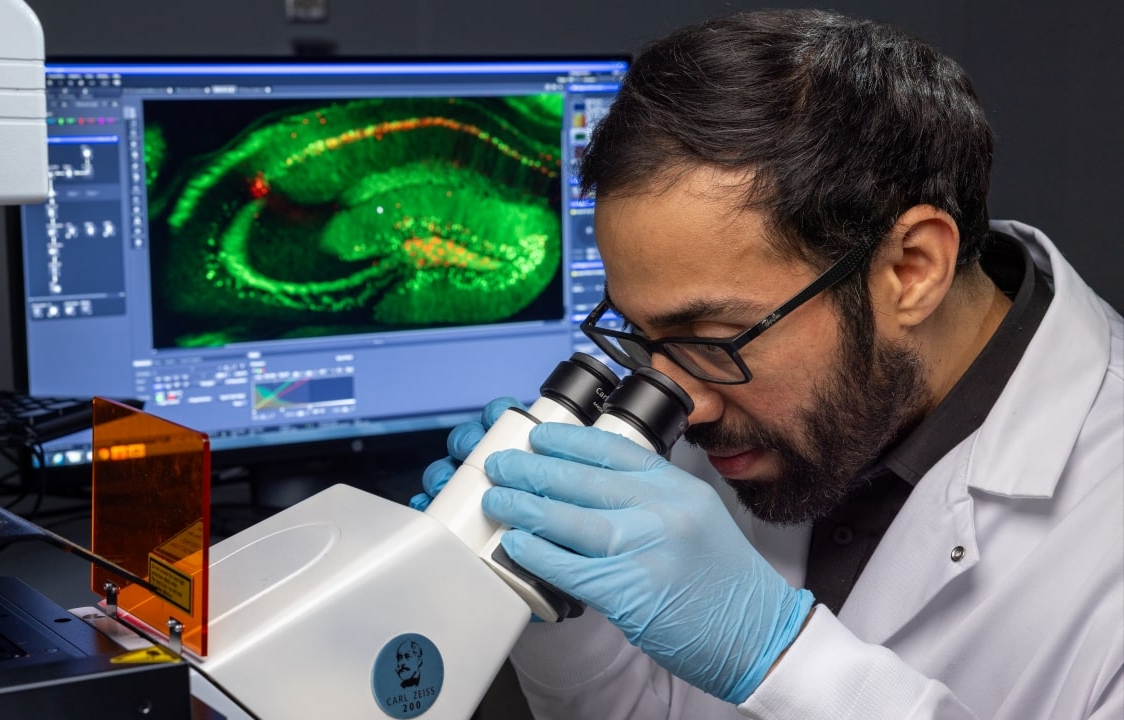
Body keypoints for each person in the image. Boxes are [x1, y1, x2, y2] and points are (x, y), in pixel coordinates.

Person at [413, 8, 1123, 719]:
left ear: (912, 268)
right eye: (638, 333)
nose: (682, 403)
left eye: (714, 337)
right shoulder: (755, 410)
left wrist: (781, 660)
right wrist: (559, 604)